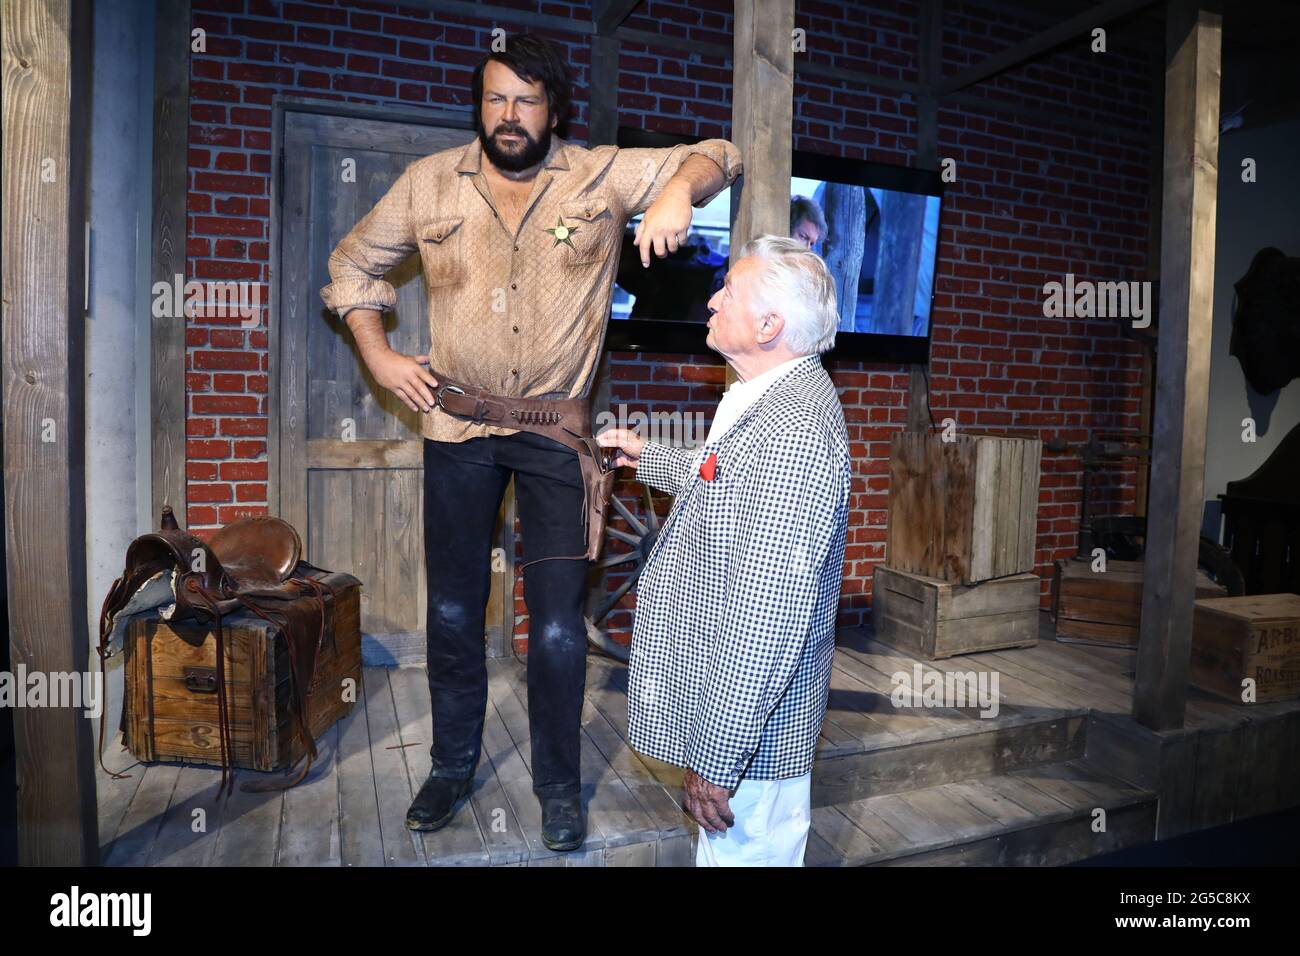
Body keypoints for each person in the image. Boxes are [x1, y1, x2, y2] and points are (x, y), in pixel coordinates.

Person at [319, 33, 741, 851]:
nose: (509, 116)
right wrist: (377, 352)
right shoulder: (429, 182)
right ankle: (450, 767)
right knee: (450, 611)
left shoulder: (598, 173)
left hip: (555, 439)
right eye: (495, 98)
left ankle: (556, 786)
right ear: (480, 106)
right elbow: (351, 266)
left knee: (553, 627)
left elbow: (719, 152)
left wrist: (676, 193)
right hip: (457, 427)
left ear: (555, 110)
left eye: (527, 100)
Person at [597, 235, 851, 866]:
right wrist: (646, 455)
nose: (711, 300)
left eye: (728, 291)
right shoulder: (769, 397)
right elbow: (726, 479)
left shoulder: (795, 430)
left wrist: (716, 758)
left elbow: (768, 615)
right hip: (748, 735)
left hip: (755, 750)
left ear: (769, 324)